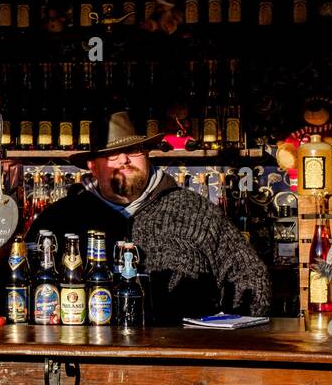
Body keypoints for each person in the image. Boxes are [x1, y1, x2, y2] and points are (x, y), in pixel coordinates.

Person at [27, 111, 269, 323]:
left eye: (133, 150)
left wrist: (231, 344)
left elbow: (250, 276)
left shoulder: (193, 209)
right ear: (92, 164)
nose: (124, 159)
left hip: (183, 359)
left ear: (147, 154)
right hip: (87, 358)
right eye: (112, 154)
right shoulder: (61, 217)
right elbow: (23, 281)